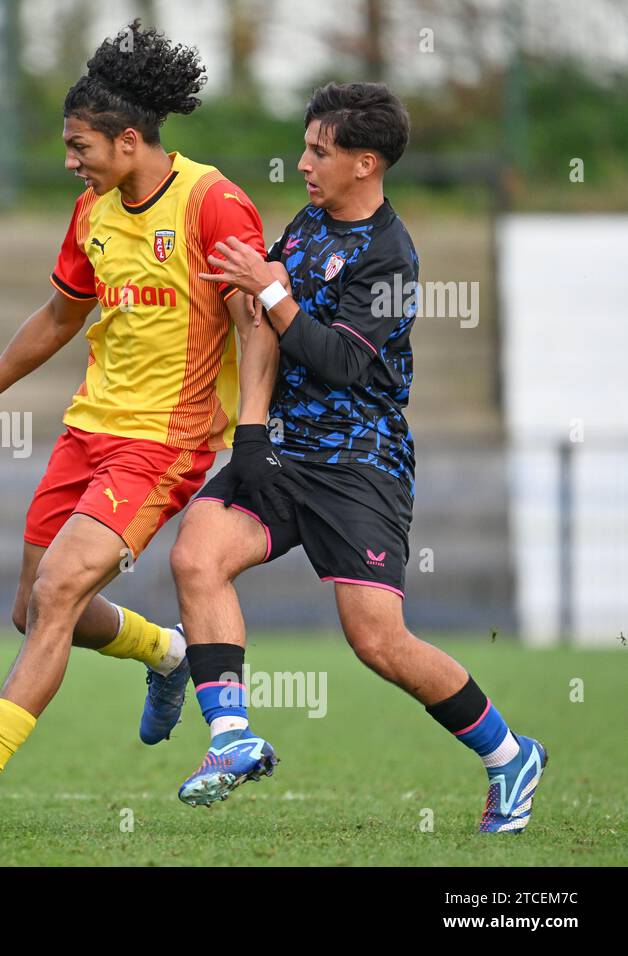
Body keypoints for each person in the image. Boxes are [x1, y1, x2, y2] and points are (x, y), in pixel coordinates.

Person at [0, 20, 278, 832]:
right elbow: (62, 315)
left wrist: (250, 436)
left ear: (128, 140)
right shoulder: (92, 212)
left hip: (163, 444)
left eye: (80, 146)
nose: (71, 160)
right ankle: (167, 654)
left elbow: (258, 319)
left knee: (61, 589)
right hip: (87, 432)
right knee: (33, 607)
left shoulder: (212, 203)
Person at [172, 81, 547, 833]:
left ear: (365, 163)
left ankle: (510, 754)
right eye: (306, 145)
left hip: (360, 466)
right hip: (282, 453)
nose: (303, 162)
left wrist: (272, 296)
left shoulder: (391, 258)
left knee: (377, 639)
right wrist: (248, 433)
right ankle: (232, 737)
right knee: (195, 557)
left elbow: (342, 361)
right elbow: (266, 325)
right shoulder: (309, 224)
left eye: (320, 150)